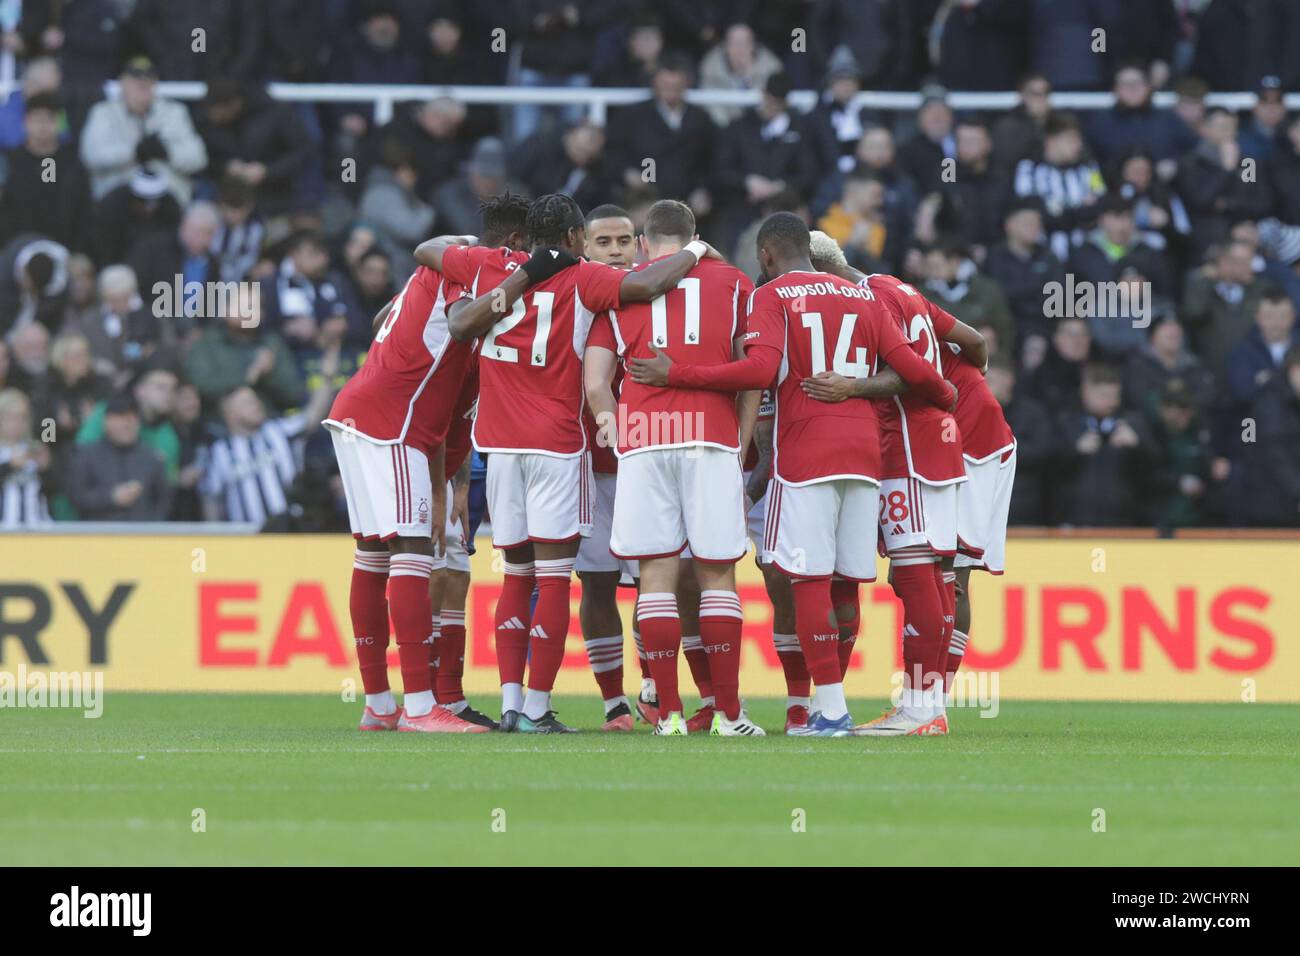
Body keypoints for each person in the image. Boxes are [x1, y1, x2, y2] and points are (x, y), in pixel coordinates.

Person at [627, 213, 958, 737]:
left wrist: (678, 374)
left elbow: (758, 372)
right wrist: (946, 396)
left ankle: (827, 710)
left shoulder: (773, 296)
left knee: (807, 581)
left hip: (805, 455)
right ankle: (835, 706)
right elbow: (915, 369)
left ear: (765, 256)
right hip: (865, 458)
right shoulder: (864, 296)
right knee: (845, 584)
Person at [438, 193, 723, 733]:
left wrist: (471, 246)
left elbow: (430, 256)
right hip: (563, 446)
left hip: (501, 447)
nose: (613, 252)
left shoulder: (488, 267)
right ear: (577, 241)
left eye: (623, 242)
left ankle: (512, 703)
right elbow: (647, 285)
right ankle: (547, 708)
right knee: (561, 578)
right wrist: (697, 248)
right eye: (601, 242)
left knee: (519, 577)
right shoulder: (588, 282)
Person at [804, 232, 990, 736]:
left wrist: (854, 387)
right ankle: (927, 706)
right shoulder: (898, 286)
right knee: (936, 576)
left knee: (915, 576)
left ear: (820, 271)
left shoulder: (870, 299)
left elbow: (913, 372)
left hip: (907, 444)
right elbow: (974, 342)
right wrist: (959, 398)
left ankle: (921, 708)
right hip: (937, 443)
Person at [585, 199, 759, 736]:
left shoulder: (620, 288)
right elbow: (751, 371)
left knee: (655, 576)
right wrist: (742, 441)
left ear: (642, 244)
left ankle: (671, 716)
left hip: (641, 440)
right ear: (694, 237)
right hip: (709, 438)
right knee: (715, 574)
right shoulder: (734, 283)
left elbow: (595, 378)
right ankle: (729, 715)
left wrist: (609, 422)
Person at [67, 392, 172, 522]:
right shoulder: (86, 456)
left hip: (142, 537)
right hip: (97, 537)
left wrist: (152, 528)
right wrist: (110, 498)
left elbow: (163, 501)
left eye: (132, 419)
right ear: (106, 422)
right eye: (120, 418)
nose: (127, 425)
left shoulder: (152, 458)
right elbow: (76, 497)